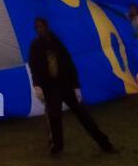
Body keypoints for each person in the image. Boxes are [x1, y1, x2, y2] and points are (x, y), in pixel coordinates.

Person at [28, 17, 117, 156]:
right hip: (50, 88)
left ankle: (105, 143)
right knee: (54, 118)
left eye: (41, 27)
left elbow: (69, 64)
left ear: (46, 27)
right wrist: (37, 85)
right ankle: (57, 147)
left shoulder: (57, 43)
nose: (39, 30)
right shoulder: (35, 46)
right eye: (37, 27)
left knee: (84, 116)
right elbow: (34, 67)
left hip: (65, 85)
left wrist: (76, 87)